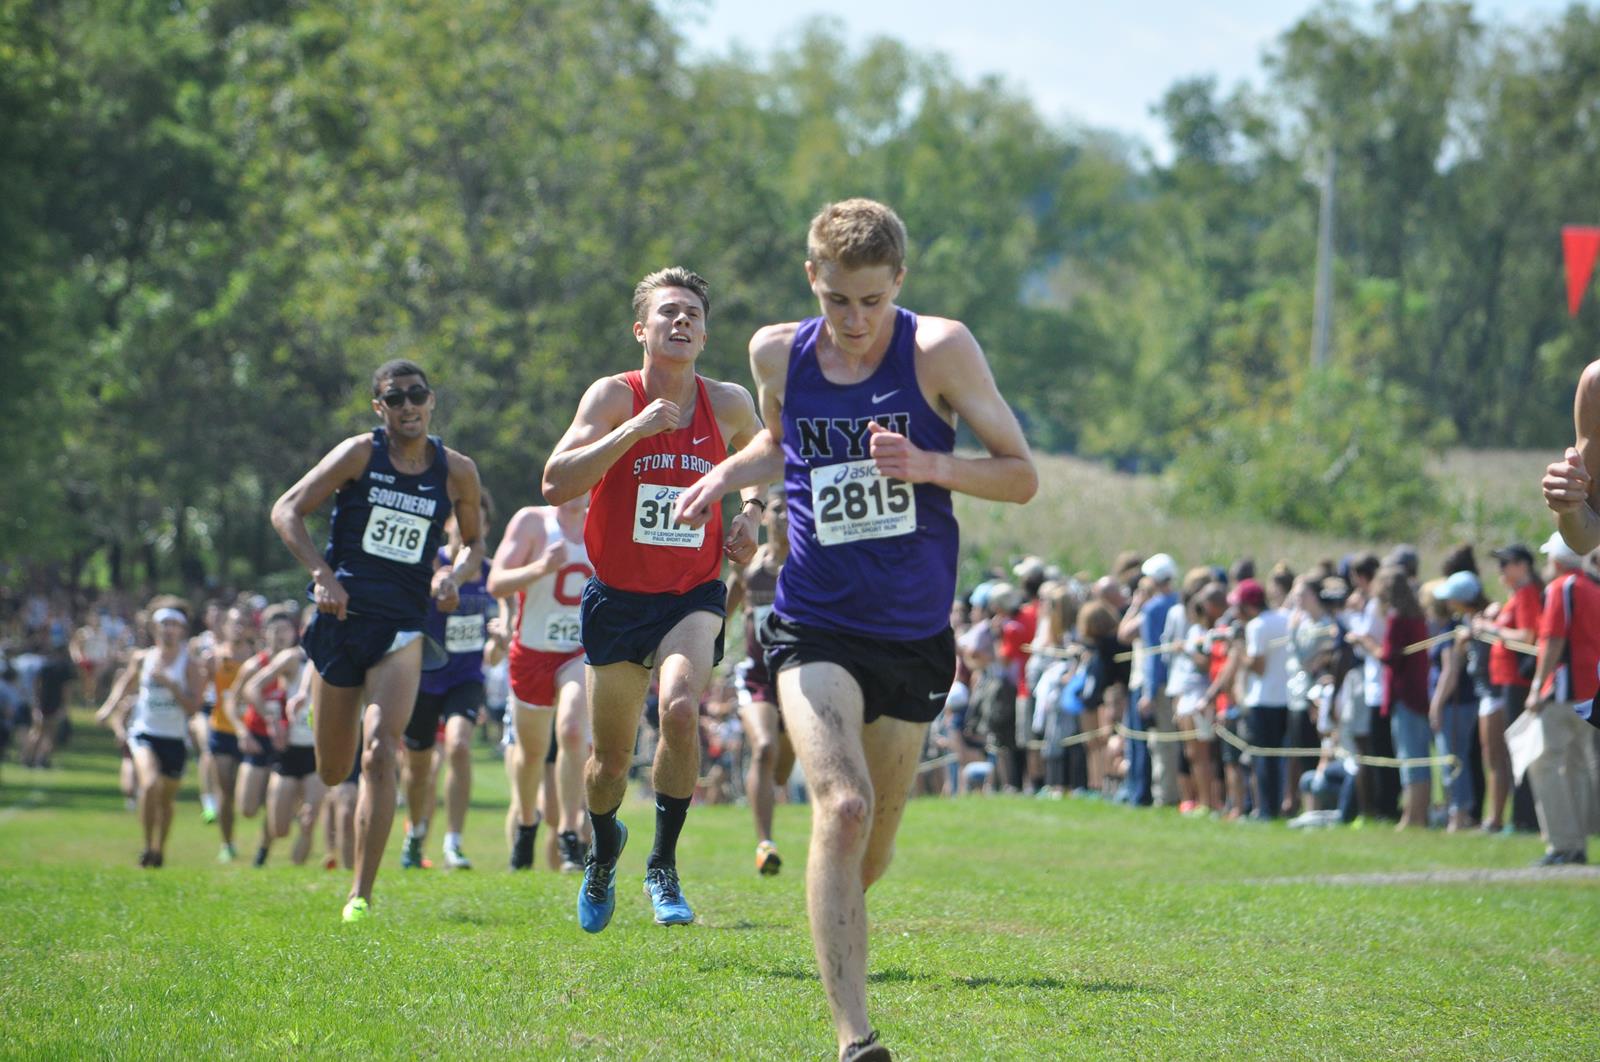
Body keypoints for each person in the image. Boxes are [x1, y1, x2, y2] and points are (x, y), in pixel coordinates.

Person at [677, 199, 1037, 1061]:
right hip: (813, 620)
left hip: (911, 633)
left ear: (899, 284)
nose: (855, 322)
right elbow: (781, 442)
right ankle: (854, 1038)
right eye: (839, 301)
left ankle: (837, 922)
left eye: (872, 302)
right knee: (840, 806)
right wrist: (724, 475)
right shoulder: (776, 350)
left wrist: (927, 466)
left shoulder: (938, 350)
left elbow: (1020, 476)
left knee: (870, 853)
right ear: (814, 280)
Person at [541, 267, 761, 931]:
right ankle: (605, 852)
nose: (682, 322)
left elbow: (762, 457)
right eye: (668, 312)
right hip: (617, 599)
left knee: (681, 709)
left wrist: (752, 513)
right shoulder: (613, 397)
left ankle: (663, 866)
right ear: (643, 329)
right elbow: (555, 482)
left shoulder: (726, 404)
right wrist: (632, 431)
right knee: (608, 765)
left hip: (692, 593)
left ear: (704, 331)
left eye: (692, 313)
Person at [270, 359, 484, 922]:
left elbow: (474, 545)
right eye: (395, 398)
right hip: (342, 621)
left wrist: (453, 576)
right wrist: (322, 574)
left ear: (432, 401)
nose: (408, 406)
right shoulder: (359, 454)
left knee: (381, 751)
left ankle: (360, 892)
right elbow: (286, 509)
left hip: (403, 627)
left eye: (417, 395)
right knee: (335, 768)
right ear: (379, 407)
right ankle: (340, 851)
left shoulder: (456, 470)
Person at [489, 493, 595, 872]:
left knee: (570, 730)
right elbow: (496, 582)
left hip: (578, 651)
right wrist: (539, 568)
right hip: (531, 653)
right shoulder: (533, 521)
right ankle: (527, 823)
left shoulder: (607, 519)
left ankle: (569, 833)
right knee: (531, 755)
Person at [401, 495, 496, 871]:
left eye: (477, 522)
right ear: (447, 525)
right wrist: (430, 586)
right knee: (419, 766)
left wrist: (499, 636)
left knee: (458, 746)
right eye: (460, 520)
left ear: (485, 529)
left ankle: (453, 843)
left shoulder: (491, 574)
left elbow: (500, 623)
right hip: (423, 676)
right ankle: (415, 833)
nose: (467, 527)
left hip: (466, 676)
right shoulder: (430, 563)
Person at [95, 598, 205, 867]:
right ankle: (146, 846)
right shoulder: (143, 657)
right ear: (154, 628)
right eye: (163, 624)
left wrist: (171, 686)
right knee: (149, 784)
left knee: (166, 799)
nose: (168, 630)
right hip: (145, 732)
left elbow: (194, 708)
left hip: (174, 738)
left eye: (174, 625)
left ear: (182, 630)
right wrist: (108, 708)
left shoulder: (189, 665)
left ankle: (159, 849)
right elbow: (125, 683)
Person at [725, 490, 796, 874]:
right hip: (758, 677)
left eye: (792, 509)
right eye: (777, 509)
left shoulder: (809, 563)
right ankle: (765, 844)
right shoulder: (748, 568)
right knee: (764, 748)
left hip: (801, 675)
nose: (784, 517)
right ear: (765, 516)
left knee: (782, 769)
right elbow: (720, 611)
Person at [1522, 532, 1600, 865]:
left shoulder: (1561, 588)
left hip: (1565, 690)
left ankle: (1562, 843)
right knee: (1577, 766)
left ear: (1555, 559)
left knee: (1545, 763)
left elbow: (1552, 640)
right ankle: (1578, 842)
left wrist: (1537, 686)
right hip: (1590, 691)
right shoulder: (1594, 587)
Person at [1349, 566, 1432, 830]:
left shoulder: (1397, 618)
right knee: (1418, 755)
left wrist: (1365, 642)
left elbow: (1388, 656)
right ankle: (1420, 813)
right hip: (1418, 691)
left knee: (1410, 757)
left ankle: (1412, 816)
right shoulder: (1416, 616)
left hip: (1404, 693)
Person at [244, 625, 325, 865]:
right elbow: (252, 687)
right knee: (279, 827)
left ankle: (296, 875)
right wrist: (271, 721)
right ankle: (266, 845)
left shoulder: (339, 657)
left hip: (318, 753)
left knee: (309, 820)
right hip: (288, 750)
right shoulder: (292, 658)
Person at [231, 605, 302, 866]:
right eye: (274, 630)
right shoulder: (255, 665)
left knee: (276, 807)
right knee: (248, 808)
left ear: (294, 634)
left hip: (288, 744)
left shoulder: (300, 665)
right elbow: (232, 701)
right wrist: (242, 731)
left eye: (285, 630)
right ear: (265, 634)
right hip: (257, 738)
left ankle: (263, 850)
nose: (280, 636)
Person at [204, 604, 257, 862]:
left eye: (242, 623)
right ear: (223, 626)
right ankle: (227, 844)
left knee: (247, 793)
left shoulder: (257, 658)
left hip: (254, 731)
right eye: (232, 622)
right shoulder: (213, 656)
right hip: (221, 729)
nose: (237, 628)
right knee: (224, 789)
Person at [1234, 579, 1290, 820]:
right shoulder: (1283, 618)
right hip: (1283, 698)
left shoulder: (1256, 626)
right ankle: (1276, 804)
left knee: (1262, 758)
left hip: (1262, 699)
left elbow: (1258, 666)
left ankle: (1266, 809)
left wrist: (1238, 651)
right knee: (1276, 757)